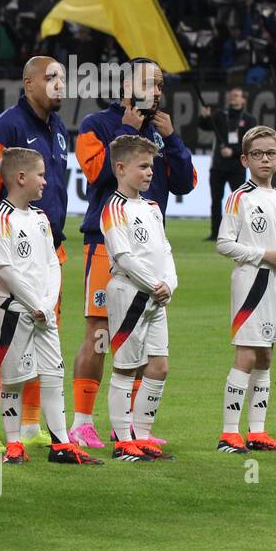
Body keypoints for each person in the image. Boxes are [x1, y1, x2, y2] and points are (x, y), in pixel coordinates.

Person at [71, 59, 196, 446]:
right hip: (107, 246)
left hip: (150, 250)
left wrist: (172, 140)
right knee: (100, 333)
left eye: (160, 85)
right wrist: (126, 130)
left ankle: (125, 425)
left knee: (142, 335)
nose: (156, 91)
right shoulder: (96, 125)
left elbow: (186, 183)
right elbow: (95, 173)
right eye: (148, 83)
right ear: (125, 85)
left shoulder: (161, 129)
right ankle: (82, 421)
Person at [0, 56, 72, 451]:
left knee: (41, 330)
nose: (60, 84)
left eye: (63, 78)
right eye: (51, 78)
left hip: (49, 246)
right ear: (28, 83)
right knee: (4, 337)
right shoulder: (4, 128)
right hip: (10, 247)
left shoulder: (58, 128)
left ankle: (30, 425)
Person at [0, 148, 101, 467]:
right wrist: (35, 303)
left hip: (43, 313)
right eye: (41, 175)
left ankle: (61, 444)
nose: (46, 181)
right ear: (21, 177)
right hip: (13, 311)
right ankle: (13, 444)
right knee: (13, 379)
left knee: (53, 373)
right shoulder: (0, 218)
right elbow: (5, 269)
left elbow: (52, 262)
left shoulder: (40, 218)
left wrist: (48, 303)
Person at [214, 126, 276, 454]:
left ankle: (258, 431)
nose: (265, 159)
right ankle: (228, 433)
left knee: (266, 355)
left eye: (270, 153)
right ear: (245, 159)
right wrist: (264, 255)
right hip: (251, 284)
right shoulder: (240, 198)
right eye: (257, 154)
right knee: (247, 354)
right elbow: (224, 243)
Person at [100, 136, 177, 462]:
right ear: (120, 168)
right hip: (129, 293)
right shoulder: (114, 208)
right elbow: (124, 256)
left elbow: (165, 249)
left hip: (156, 296)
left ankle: (143, 437)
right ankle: (122, 442)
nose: (149, 172)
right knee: (125, 368)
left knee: (158, 367)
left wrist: (170, 283)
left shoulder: (152, 207)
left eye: (151, 166)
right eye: (143, 166)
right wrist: (155, 284)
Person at [199, 88, 255, 241]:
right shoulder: (220, 115)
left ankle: (238, 233)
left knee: (238, 201)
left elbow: (250, 143)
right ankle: (215, 233)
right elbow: (205, 126)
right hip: (218, 166)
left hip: (237, 166)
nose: (232, 97)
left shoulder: (249, 119)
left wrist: (234, 151)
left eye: (236, 95)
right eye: (231, 95)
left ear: (243, 100)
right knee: (216, 200)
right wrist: (205, 116)